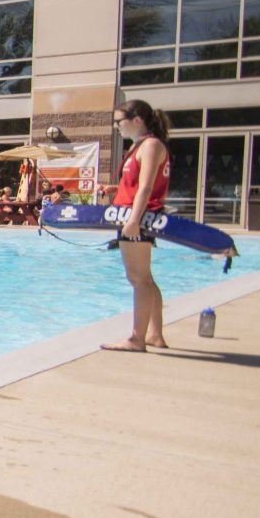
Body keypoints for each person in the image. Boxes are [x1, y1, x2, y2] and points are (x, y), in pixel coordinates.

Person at [103, 99, 173, 353]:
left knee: (138, 279)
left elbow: (146, 187)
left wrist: (133, 220)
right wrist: (116, 189)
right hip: (137, 216)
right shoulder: (141, 146)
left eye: (119, 121)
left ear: (137, 120)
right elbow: (139, 185)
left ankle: (136, 339)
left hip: (138, 219)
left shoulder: (150, 145)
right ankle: (155, 335)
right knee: (146, 279)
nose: (116, 126)